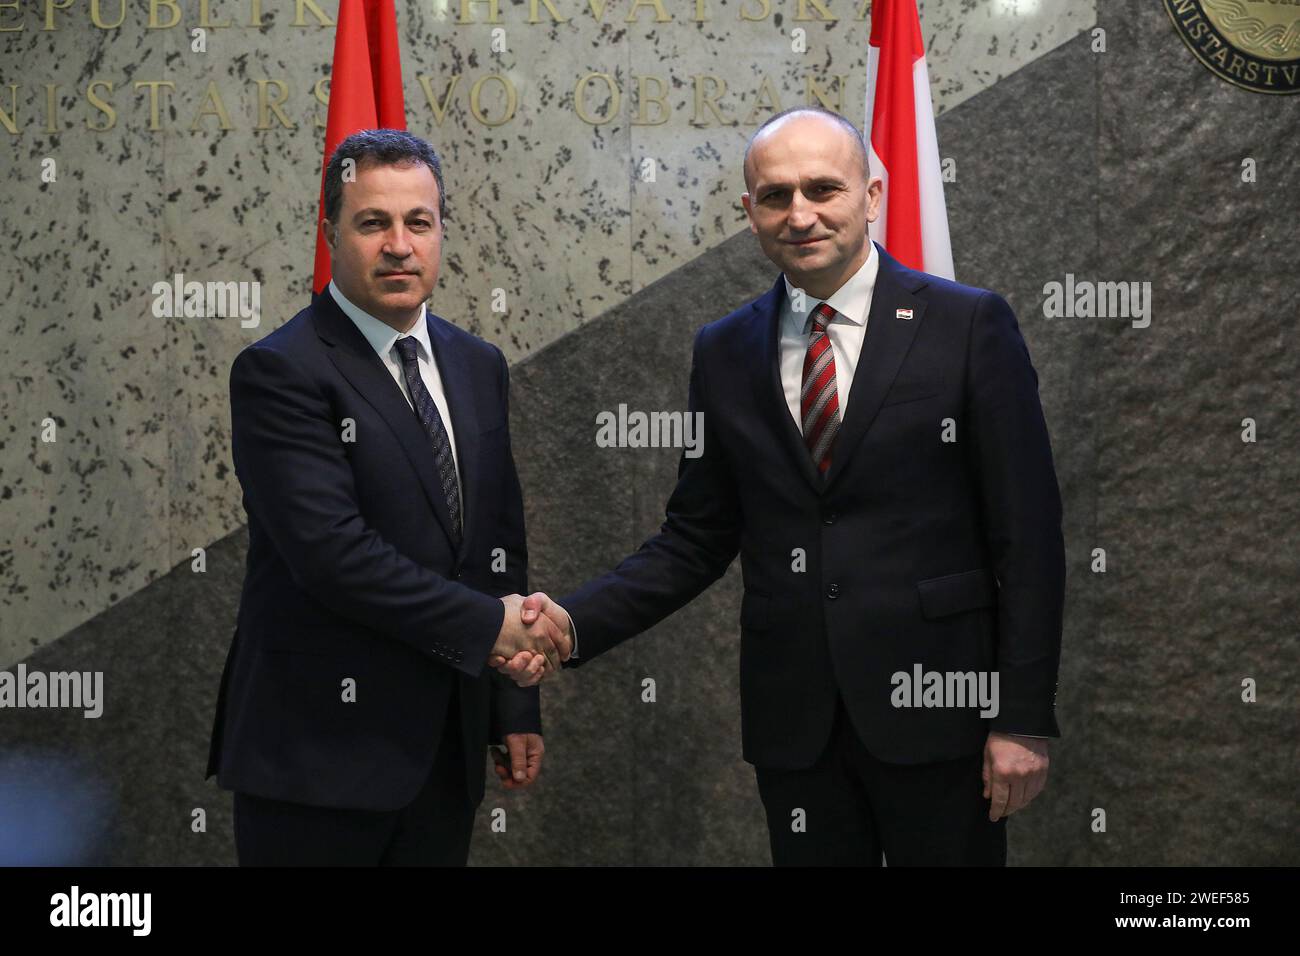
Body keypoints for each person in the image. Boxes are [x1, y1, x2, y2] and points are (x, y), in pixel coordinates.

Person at [498, 107, 1065, 866]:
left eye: (823, 189)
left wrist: (1022, 717)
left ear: (872, 195)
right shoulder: (726, 349)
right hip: (798, 726)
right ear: (749, 213)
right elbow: (695, 536)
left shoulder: (968, 325)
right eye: (775, 196)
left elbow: (1027, 535)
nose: (800, 214)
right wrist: (570, 622)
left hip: (943, 714)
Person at [206, 129, 570, 866]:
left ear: (441, 233)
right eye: (373, 223)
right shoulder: (281, 370)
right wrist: (490, 628)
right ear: (332, 234)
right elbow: (332, 555)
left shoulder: (477, 364)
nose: (399, 245)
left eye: (419, 222)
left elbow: (498, 541)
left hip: (444, 750)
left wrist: (512, 702)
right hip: (316, 759)